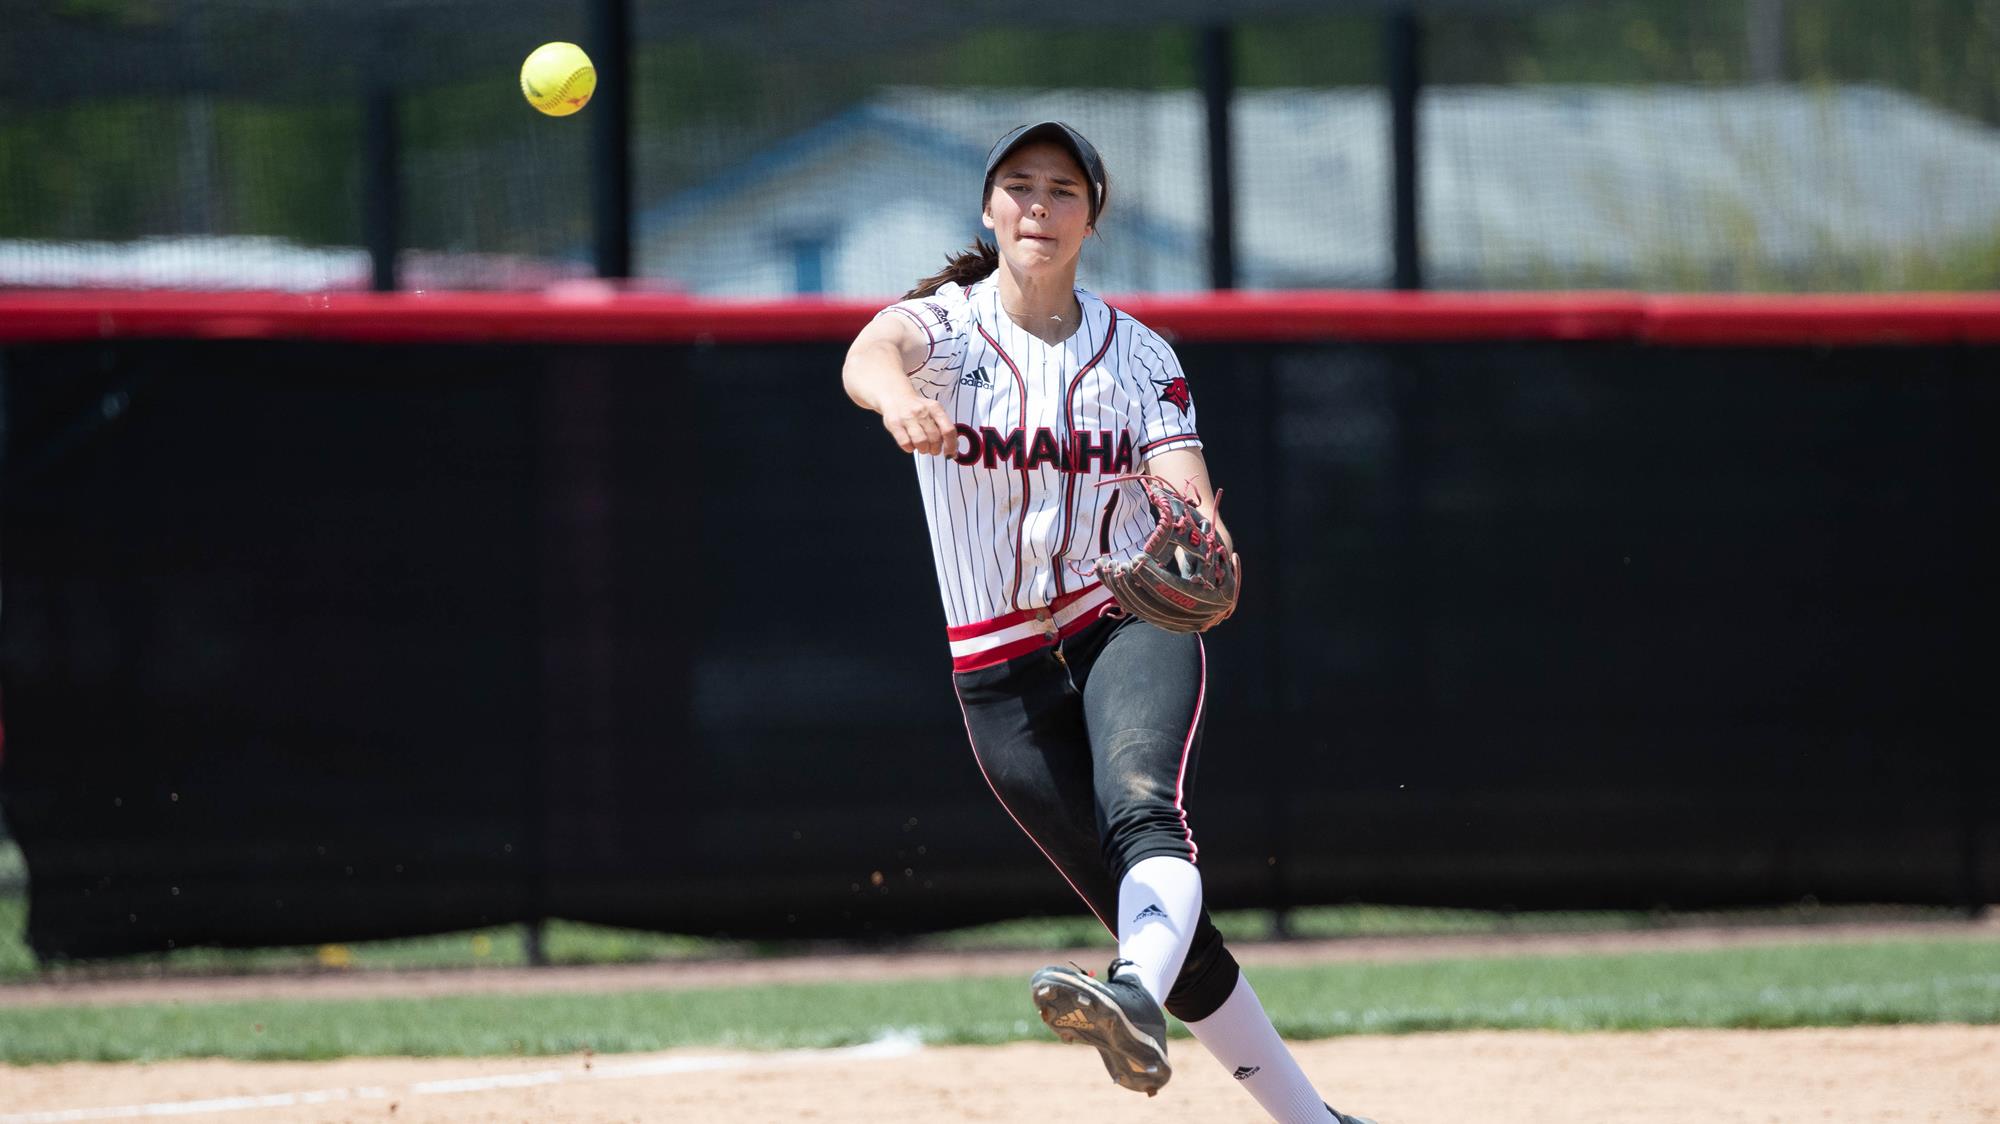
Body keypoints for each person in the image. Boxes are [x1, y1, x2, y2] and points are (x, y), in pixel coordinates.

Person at [840, 121, 1376, 1124]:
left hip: (1124, 619)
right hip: (999, 670)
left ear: (1092, 218)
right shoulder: (944, 330)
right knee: (1167, 932)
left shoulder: (1139, 354)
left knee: (1143, 813)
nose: (1038, 206)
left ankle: (1129, 994)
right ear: (988, 209)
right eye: (1019, 185)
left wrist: (1206, 540)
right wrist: (896, 400)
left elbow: (1184, 492)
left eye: (1062, 190)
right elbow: (871, 353)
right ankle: (1311, 1118)